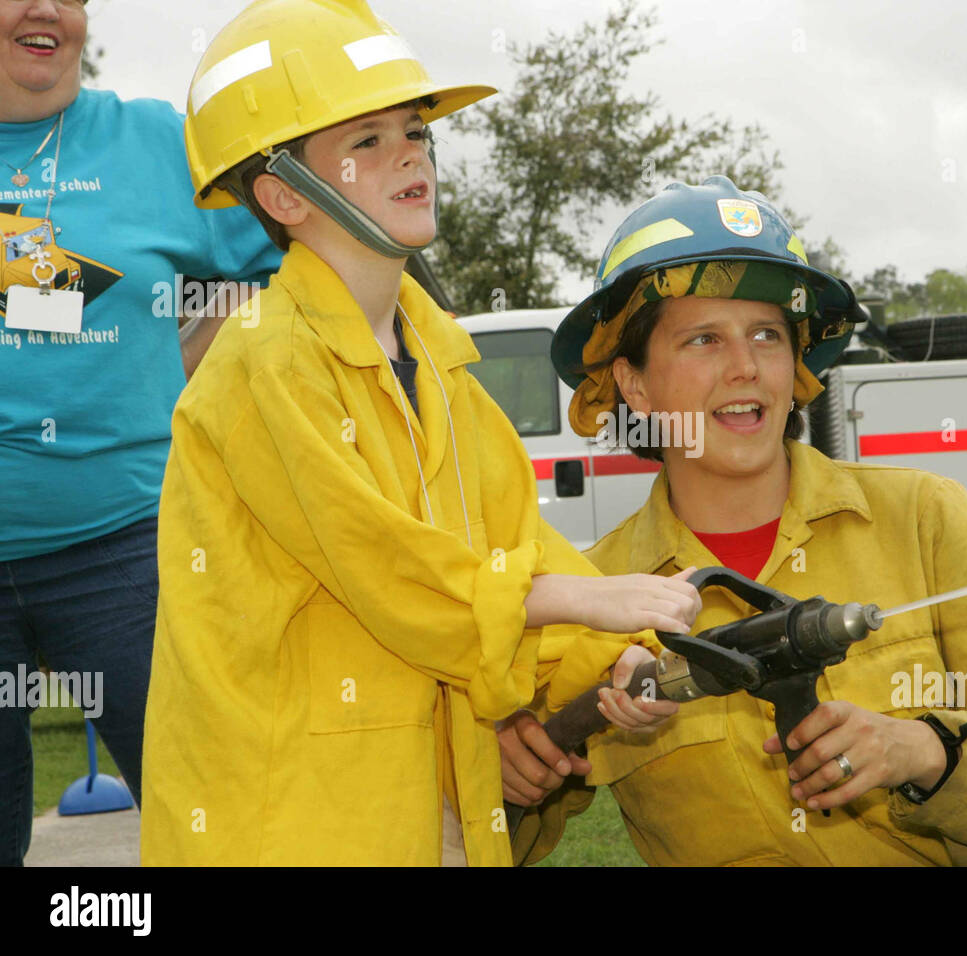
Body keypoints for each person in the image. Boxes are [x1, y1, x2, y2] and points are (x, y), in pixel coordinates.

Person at [140, 0, 699, 867]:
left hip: (423, 801)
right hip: (285, 820)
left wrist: (616, 660)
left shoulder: (439, 364)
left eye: (413, 130)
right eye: (364, 139)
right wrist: (587, 600)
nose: (410, 152)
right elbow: (386, 565)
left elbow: (518, 543)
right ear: (285, 194)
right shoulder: (260, 361)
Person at [509, 176, 967, 866]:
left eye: (767, 336)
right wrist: (510, 774)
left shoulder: (924, 519)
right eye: (703, 341)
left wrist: (927, 752)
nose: (746, 367)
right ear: (634, 384)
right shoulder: (591, 595)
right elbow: (494, 830)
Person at [0, 0, 281, 865]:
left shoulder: (159, 142)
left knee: (213, 821)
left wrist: (189, 349)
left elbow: (286, 256)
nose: (48, 8)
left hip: (131, 549)